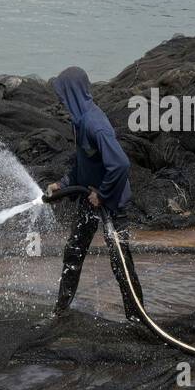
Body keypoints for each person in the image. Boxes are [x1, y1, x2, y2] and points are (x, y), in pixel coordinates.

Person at [45, 66, 146, 323]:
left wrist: (102, 194)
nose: (60, 99)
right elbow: (83, 165)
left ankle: (137, 318)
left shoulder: (94, 124)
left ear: (73, 93)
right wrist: (63, 183)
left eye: (62, 93)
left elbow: (121, 164)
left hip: (111, 203)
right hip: (89, 199)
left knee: (120, 263)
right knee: (74, 252)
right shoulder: (78, 121)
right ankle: (60, 310)